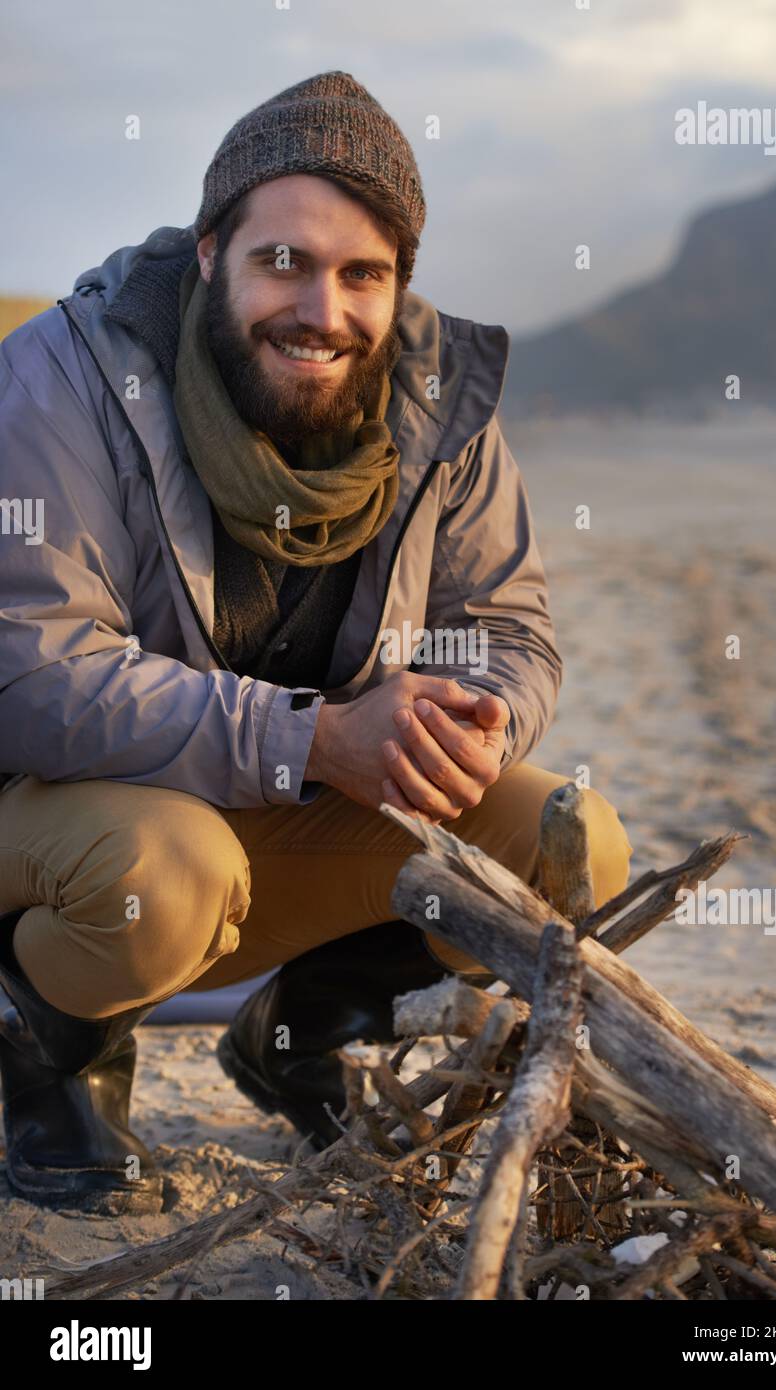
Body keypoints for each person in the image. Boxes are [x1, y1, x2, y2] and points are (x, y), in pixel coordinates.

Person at [0, 71, 632, 1215]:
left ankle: (298, 1036)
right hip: (53, 819)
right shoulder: (63, 378)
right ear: (209, 256)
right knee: (167, 873)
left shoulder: (443, 405)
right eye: (282, 261)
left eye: (361, 274)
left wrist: (472, 721)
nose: (322, 309)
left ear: (398, 284)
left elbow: (506, 624)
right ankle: (51, 1065)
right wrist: (318, 737)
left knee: (562, 839)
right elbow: (33, 676)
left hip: (266, 817)